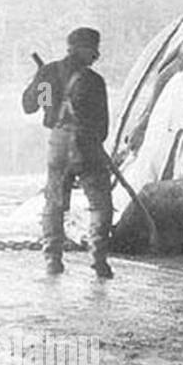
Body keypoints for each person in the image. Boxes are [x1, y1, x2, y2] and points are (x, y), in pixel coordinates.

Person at [21, 27, 113, 279]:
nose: (96, 55)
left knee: (54, 202)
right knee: (100, 203)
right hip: (88, 145)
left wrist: (40, 82)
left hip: (58, 144)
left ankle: (53, 260)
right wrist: (92, 144)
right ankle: (99, 260)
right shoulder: (95, 81)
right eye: (93, 50)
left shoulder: (49, 74)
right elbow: (103, 126)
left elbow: (30, 106)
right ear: (81, 49)